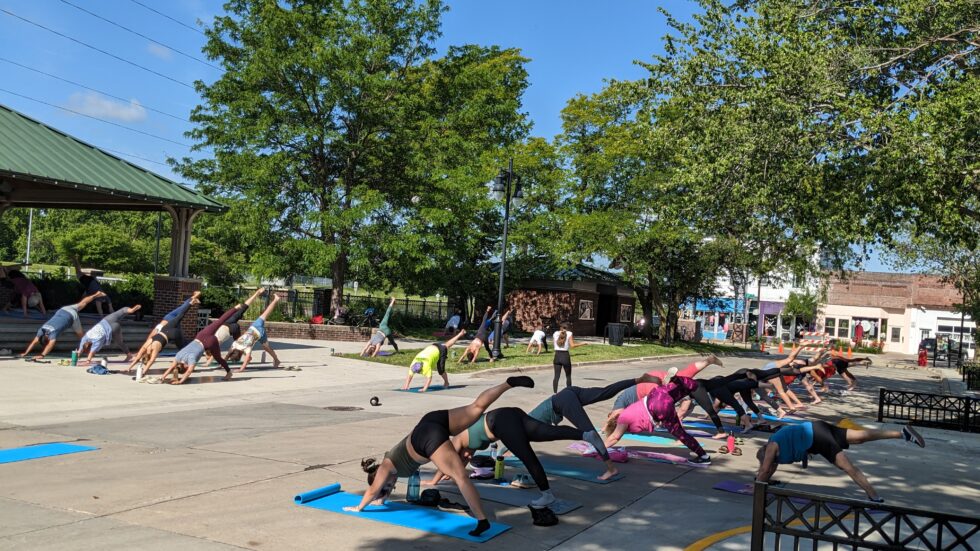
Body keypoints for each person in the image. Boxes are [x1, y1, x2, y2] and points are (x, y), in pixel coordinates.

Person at [344, 376, 536, 537]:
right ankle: (508, 384)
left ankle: (482, 520)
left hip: (426, 438)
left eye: (386, 485)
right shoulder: (391, 462)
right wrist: (381, 498)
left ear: (378, 475)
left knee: (460, 478)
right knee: (476, 407)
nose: (391, 485)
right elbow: (378, 494)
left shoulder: (387, 466)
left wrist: (359, 507)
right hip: (430, 421)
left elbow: (371, 492)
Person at [427, 406, 612, 510]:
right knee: (547, 432)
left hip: (500, 422)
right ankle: (585, 435)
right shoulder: (469, 445)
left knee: (527, 456)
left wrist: (434, 481)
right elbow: (461, 463)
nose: (467, 456)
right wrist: (452, 475)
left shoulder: (457, 439)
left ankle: (547, 495)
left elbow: (447, 462)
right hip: (509, 414)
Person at [517, 374, 663, 480]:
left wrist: (504, 450)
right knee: (606, 392)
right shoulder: (527, 419)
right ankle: (639, 379)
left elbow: (516, 435)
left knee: (591, 434)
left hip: (563, 402)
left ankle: (611, 469)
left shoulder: (525, 423)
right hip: (568, 392)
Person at [756, 420, 925, 502]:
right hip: (818, 427)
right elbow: (767, 471)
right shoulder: (774, 447)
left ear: (765, 454)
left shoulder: (771, 448)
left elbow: (765, 470)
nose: (769, 466)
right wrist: (762, 480)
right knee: (859, 437)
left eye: (767, 463)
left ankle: (874, 495)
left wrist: (757, 488)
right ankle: (902, 433)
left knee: (848, 467)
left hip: (818, 438)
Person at [159, 288, 265, 384]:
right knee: (220, 321)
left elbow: (189, 370)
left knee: (219, 358)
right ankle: (238, 307)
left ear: (185, 367)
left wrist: (181, 381)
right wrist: (163, 377)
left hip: (210, 341)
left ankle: (229, 372)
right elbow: (172, 367)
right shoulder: (178, 356)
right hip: (201, 336)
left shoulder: (191, 359)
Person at [604, 375, 712, 464]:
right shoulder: (626, 412)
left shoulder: (623, 419)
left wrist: (601, 448)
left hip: (657, 406)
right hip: (657, 394)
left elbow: (615, 437)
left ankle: (703, 456)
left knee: (678, 432)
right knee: (684, 388)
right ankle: (682, 381)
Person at [126, 292, 201, 374]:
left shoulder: (154, 350)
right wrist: (129, 367)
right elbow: (138, 358)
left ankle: (190, 355)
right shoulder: (146, 345)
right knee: (180, 315)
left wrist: (143, 372)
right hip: (166, 328)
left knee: (183, 345)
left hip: (172, 334)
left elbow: (151, 361)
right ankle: (191, 302)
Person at [20, 292, 105, 360]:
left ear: (46, 338)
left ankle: (89, 350)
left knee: (82, 336)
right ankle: (96, 294)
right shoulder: (42, 329)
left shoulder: (52, 333)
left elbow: (50, 344)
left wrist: (42, 355)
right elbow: (34, 342)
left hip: (72, 316)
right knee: (83, 303)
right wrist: (26, 353)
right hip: (63, 309)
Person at [227, 294, 282, 372]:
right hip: (254, 326)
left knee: (266, 348)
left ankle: (276, 360)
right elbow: (229, 353)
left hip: (260, 333)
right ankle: (276, 299)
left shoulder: (247, 348)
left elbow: (245, 359)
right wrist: (223, 362)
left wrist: (241, 369)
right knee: (266, 313)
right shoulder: (234, 344)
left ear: (240, 354)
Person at [77, 304, 141, 365]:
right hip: (106, 320)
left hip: (113, 327)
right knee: (122, 311)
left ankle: (129, 355)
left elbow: (91, 353)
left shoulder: (96, 341)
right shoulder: (85, 338)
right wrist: (77, 355)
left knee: (119, 342)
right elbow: (80, 350)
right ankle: (131, 310)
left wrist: (87, 360)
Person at [553, 322, 588, 393]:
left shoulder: (555, 333)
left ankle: (555, 393)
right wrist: (583, 343)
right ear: (567, 328)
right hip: (565, 356)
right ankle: (569, 393)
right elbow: (572, 345)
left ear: (561, 327)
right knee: (568, 376)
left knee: (556, 376)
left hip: (557, 356)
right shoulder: (569, 333)